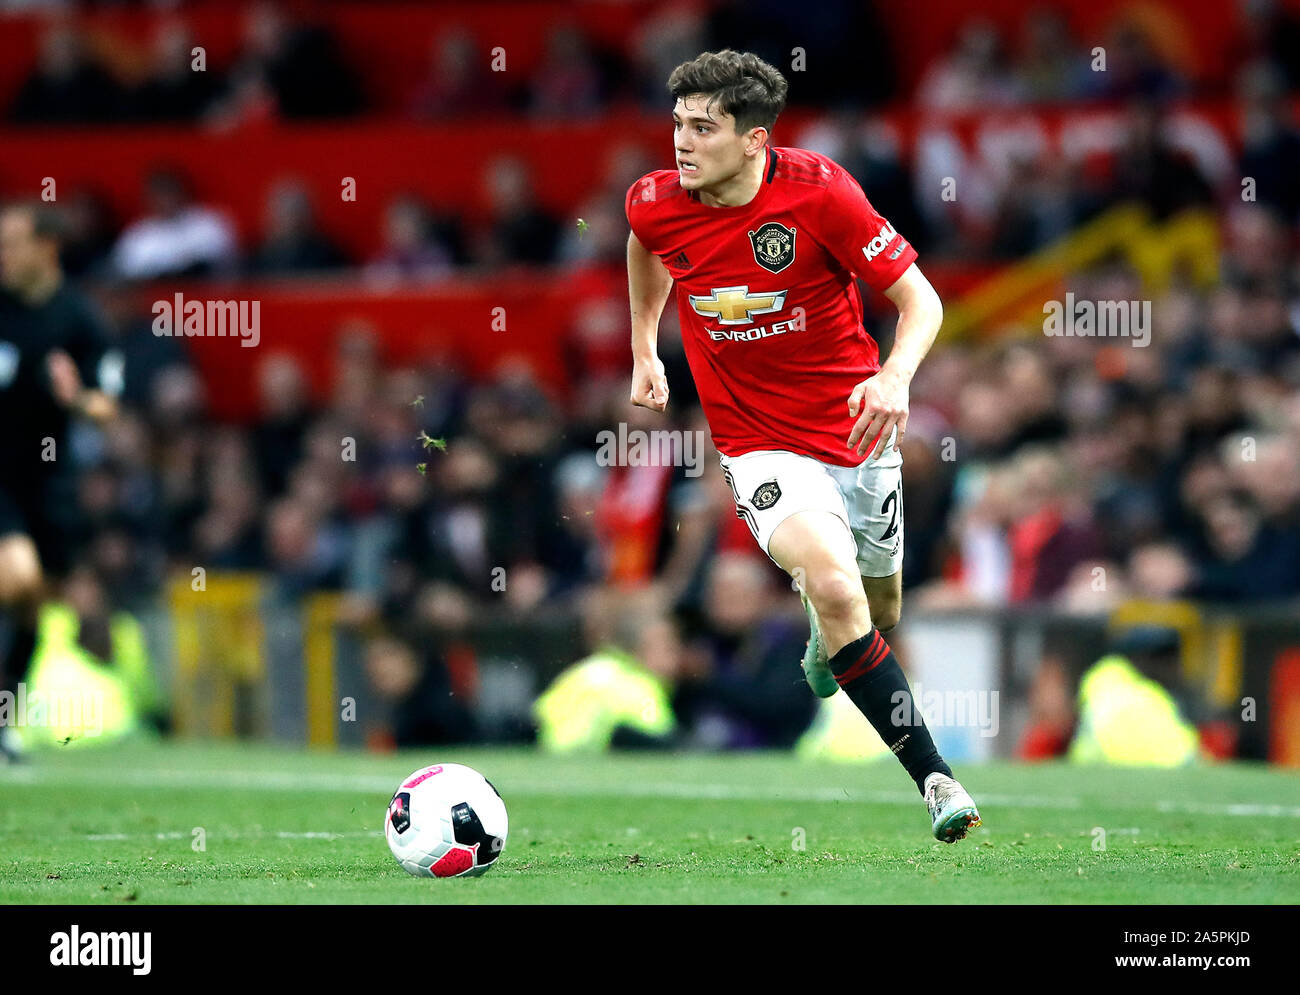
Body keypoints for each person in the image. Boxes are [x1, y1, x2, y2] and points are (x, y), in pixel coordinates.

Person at [624, 50, 979, 841]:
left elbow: (920, 301)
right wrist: (646, 346)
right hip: (758, 443)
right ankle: (937, 783)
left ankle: (830, 634)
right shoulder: (654, 202)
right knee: (834, 581)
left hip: (857, 429)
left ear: (753, 140)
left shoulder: (821, 194)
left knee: (876, 608)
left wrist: (894, 377)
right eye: (678, 123)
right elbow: (644, 249)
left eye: (703, 127)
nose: (682, 142)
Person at [0, 203, 121, 761]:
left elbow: (108, 408)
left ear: (47, 247)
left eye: (12, 243)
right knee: (16, 579)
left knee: (33, 607)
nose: (3, 254)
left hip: (49, 483)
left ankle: (3, 723)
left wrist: (76, 399)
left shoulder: (81, 319)